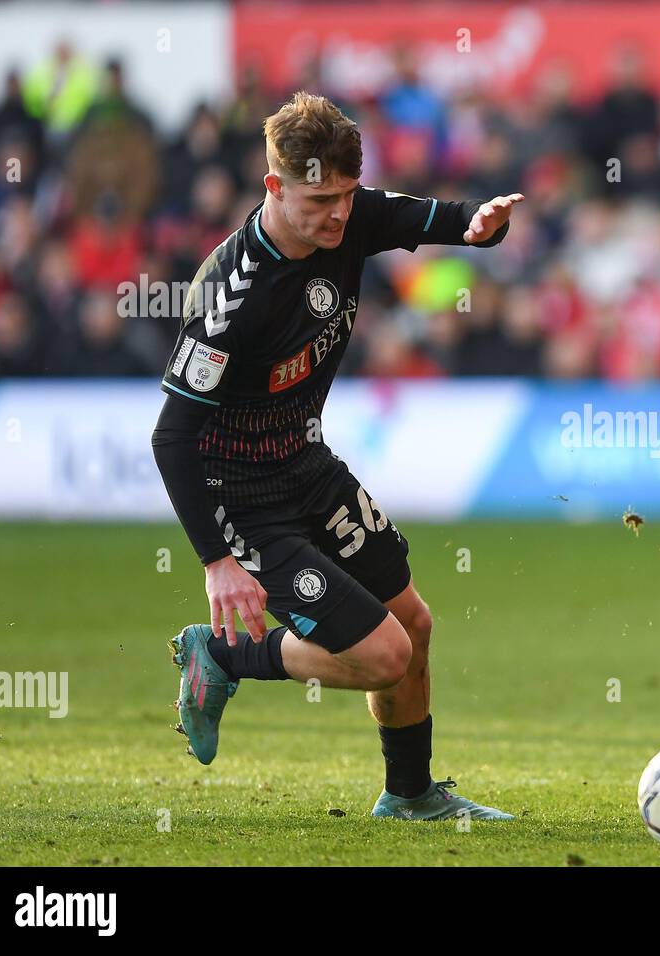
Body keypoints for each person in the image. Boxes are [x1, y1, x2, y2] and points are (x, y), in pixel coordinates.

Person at [151, 91, 523, 820]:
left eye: (348, 196)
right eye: (320, 199)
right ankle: (223, 655)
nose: (339, 215)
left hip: (308, 467)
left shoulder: (348, 220)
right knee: (383, 654)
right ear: (274, 188)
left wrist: (477, 227)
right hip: (244, 498)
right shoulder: (230, 296)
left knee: (413, 624)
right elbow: (171, 436)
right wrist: (216, 562)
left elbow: (425, 217)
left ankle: (410, 795)